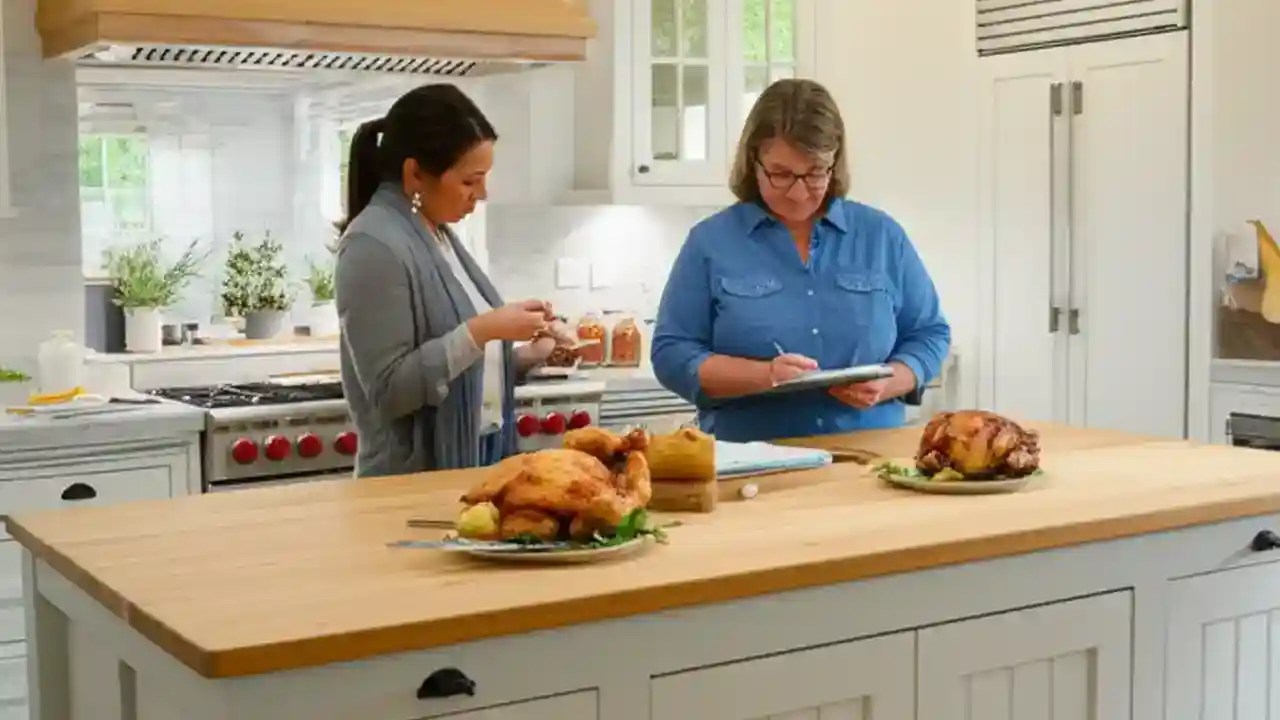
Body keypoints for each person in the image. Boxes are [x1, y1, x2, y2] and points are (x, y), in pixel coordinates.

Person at [651, 78, 951, 443]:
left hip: (872, 461)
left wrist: (890, 383)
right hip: (754, 461)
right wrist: (765, 376)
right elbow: (672, 354)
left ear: (834, 164)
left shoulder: (882, 236)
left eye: (814, 173)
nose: (797, 193)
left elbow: (929, 334)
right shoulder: (710, 243)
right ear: (752, 161)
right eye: (780, 174)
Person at [335, 83, 570, 477]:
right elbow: (390, 392)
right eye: (469, 181)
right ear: (415, 173)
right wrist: (485, 329)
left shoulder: (436, 234)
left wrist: (530, 351)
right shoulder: (373, 244)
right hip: (409, 484)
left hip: (478, 457)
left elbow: (462, 370)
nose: (482, 193)